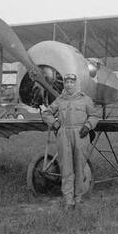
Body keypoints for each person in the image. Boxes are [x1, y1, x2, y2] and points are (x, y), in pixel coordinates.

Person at [41, 72, 100, 210]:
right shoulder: (60, 100)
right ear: (64, 84)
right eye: (66, 82)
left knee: (79, 166)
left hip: (80, 134)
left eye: (72, 82)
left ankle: (78, 197)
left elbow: (94, 115)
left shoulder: (85, 100)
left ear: (76, 83)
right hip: (64, 135)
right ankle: (68, 200)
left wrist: (88, 126)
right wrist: (54, 123)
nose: (69, 85)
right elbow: (46, 113)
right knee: (66, 167)